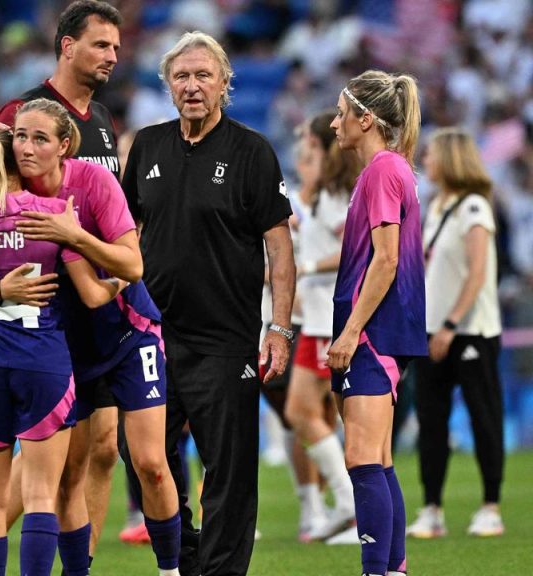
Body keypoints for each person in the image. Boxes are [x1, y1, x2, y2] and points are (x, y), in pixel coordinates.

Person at [0, 117, 136, 576]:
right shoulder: (51, 214)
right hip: (42, 362)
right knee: (45, 495)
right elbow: (93, 295)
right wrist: (116, 283)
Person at [122, 31, 296, 576]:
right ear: (168, 86)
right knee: (142, 455)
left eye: (203, 76)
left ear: (224, 83)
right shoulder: (147, 146)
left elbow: (280, 246)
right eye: (181, 76)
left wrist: (280, 327)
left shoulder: (252, 151)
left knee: (230, 470)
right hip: (153, 332)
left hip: (227, 338)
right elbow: (126, 234)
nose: (192, 86)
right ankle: (185, 554)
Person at [327, 70, 426, 576]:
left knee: (362, 458)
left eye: (341, 113)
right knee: (379, 460)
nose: (333, 122)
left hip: (373, 332)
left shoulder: (384, 168)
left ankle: (375, 571)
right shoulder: (388, 169)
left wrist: (349, 331)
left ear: (366, 119)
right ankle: (392, 569)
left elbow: (385, 260)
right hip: (382, 330)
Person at [407, 127, 505, 539]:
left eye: (430, 155)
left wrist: (450, 325)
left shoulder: (475, 209)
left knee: (484, 418)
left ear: (449, 159)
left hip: (471, 331)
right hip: (432, 331)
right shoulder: (436, 206)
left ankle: (490, 506)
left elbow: (478, 274)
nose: (425, 161)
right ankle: (432, 508)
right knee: (431, 421)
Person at [284, 112, 363, 544]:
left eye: (311, 143)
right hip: (316, 316)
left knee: (301, 412)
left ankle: (350, 502)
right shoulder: (321, 194)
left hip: (325, 319)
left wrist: (307, 266)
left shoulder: (335, 196)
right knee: (322, 415)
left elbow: (356, 248)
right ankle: (349, 505)